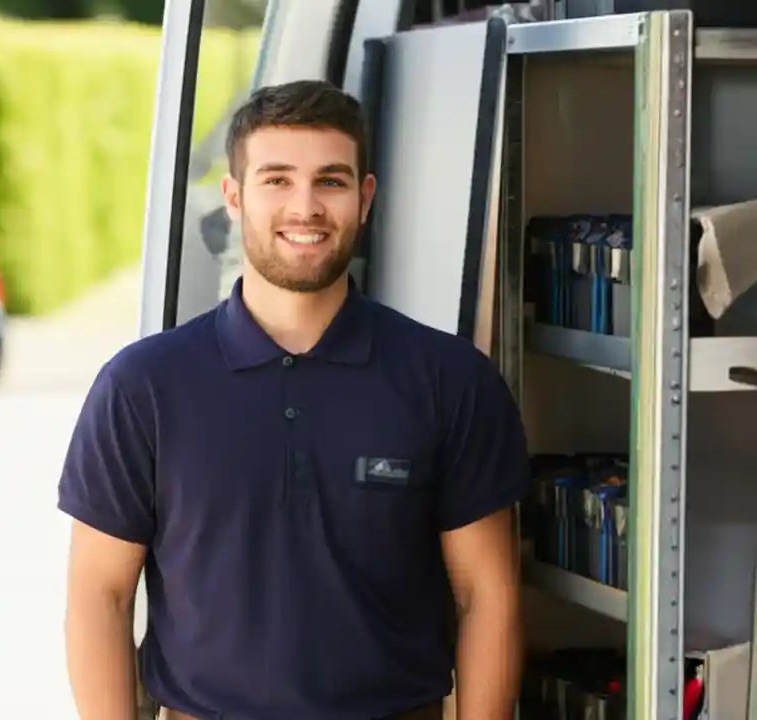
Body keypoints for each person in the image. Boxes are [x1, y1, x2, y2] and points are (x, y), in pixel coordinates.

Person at [57, 79, 529, 720]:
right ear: (234, 197)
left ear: (364, 199)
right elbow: (100, 595)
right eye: (276, 180)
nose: (305, 207)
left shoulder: (449, 381)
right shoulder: (144, 386)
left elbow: (486, 595)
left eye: (330, 181)